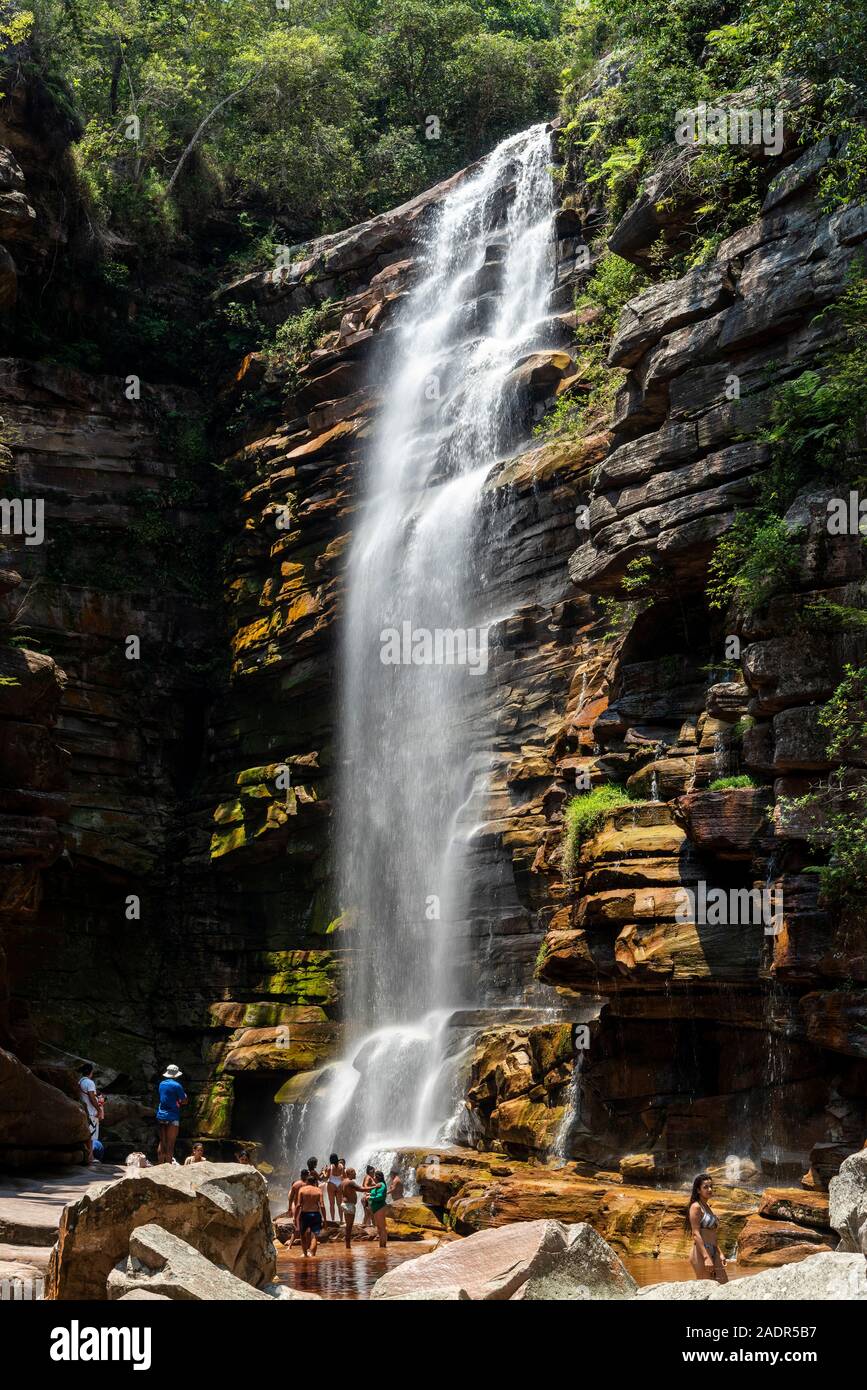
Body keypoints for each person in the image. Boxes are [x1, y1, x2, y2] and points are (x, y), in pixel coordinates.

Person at [687, 1173, 728, 1283]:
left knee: (723, 1284)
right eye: (705, 1187)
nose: (709, 1189)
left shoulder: (708, 1207)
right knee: (706, 1287)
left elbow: (713, 1234)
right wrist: (706, 1257)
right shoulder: (696, 1207)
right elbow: (695, 1234)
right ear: (698, 1190)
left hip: (713, 1251)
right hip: (701, 1253)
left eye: (711, 1187)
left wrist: (720, 1253)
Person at [155, 1063, 187, 1164]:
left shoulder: (161, 1084)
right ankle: (168, 1167)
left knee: (162, 1141)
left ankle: (160, 1165)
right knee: (170, 1143)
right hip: (173, 1116)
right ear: (176, 1075)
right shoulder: (177, 1086)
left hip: (161, 1115)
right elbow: (184, 1100)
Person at [297, 1170, 327, 1257]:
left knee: (302, 1235)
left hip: (305, 1214)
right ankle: (312, 1254)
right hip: (316, 1215)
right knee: (314, 1236)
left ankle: (305, 1254)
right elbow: (322, 1205)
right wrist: (324, 1219)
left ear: (307, 1181)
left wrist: (295, 1217)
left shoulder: (302, 1190)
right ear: (314, 1182)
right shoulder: (318, 1190)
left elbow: (299, 1205)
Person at [79, 1064, 103, 1165]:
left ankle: (86, 1156)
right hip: (91, 1112)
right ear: (91, 1072)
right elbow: (92, 1098)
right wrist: (99, 1110)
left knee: (86, 1135)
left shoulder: (80, 1082)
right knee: (92, 1137)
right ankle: (90, 1157)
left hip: (83, 1110)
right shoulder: (90, 1082)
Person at [340, 1168, 364, 1249]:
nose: (356, 1174)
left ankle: (347, 1245)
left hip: (346, 1204)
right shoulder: (350, 1182)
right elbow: (361, 1189)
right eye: (354, 1172)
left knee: (348, 1226)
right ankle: (348, 1246)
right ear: (350, 1173)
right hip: (349, 1205)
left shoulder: (343, 1181)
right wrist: (375, 1186)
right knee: (349, 1226)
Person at [286, 1168, 309, 1250]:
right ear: (307, 1175)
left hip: (298, 1209)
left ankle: (290, 1246)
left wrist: (289, 1208)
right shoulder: (309, 1184)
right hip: (306, 1209)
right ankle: (306, 1247)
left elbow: (290, 1198)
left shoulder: (296, 1184)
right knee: (306, 1229)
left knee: (297, 1229)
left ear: (301, 1175)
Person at [368, 1169, 389, 1249]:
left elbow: (380, 1196)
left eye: (374, 1176)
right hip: (376, 1208)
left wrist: (370, 1197)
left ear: (377, 1177)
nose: (373, 1177)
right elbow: (375, 1193)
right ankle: (381, 1246)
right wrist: (369, 1194)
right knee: (379, 1228)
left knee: (382, 1227)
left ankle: (383, 1246)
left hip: (380, 1207)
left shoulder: (382, 1185)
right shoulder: (378, 1184)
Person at [325, 1152, 344, 1221]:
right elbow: (344, 1176)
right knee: (339, 1204)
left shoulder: (330, 1167)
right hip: (339, 1184)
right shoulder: (341, 1166)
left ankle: (333, 1220)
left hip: (331, 1184)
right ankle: (341, 1220)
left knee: (332, 1204)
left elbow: (326, 1177)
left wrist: (324, 1171)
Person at [360, 1164, 376, 1230]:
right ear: (370, 1171)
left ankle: (363, 1228)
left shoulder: (367, 1177)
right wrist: (369, 1193)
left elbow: (363, 1186)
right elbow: (365, 1186)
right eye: (374, 1171)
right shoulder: (368, 1177)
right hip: (368, 1198)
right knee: (371, 1214)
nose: (374, 1172)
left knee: (367, 1215)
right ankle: (375, 1228)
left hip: (366, 1198)